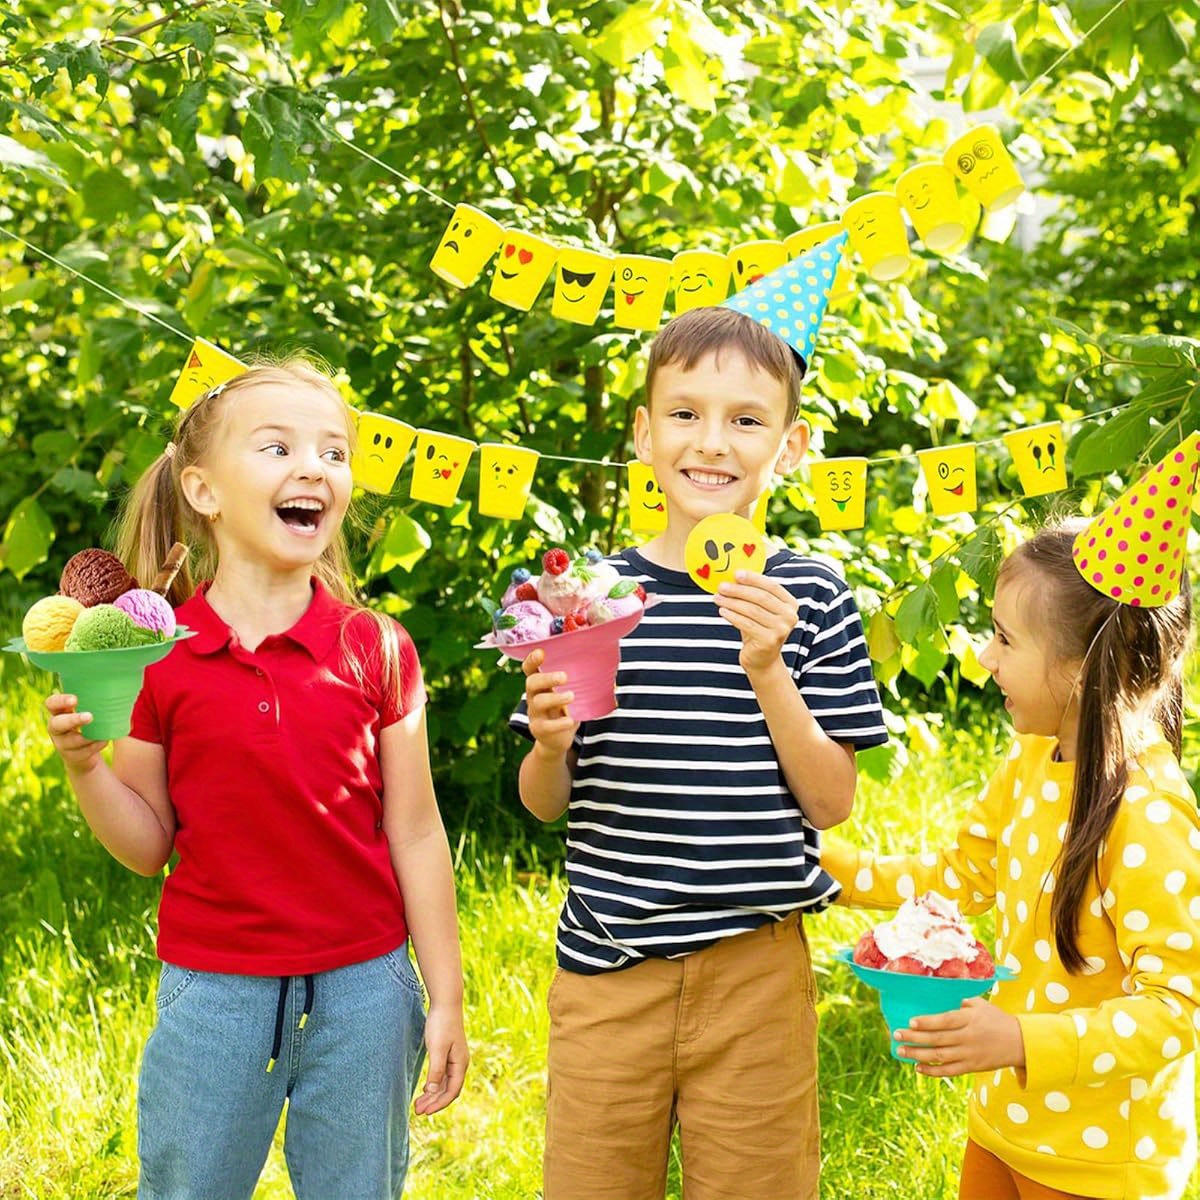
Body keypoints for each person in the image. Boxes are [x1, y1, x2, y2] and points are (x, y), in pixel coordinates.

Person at [44, 360, 467, 1200]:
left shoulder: (376, 646)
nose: (315, 468)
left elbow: (417, 831)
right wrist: (86, 766)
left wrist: (445, 994)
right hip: (214, 994)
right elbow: (146, 845)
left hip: (367, 992)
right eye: (278, 448)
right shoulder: (155, 657)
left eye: (334, 452)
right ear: (202, 490)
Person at [514, 303, 889, 1199]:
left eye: (746, 420)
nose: (712, 442)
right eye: (685, 413)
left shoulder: (812, 595)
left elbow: (832, 802)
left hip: (757, 971)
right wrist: (551, 745)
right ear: (645, 434)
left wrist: (768, 668)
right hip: (609, 968)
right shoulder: (589, 593)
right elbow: (543, 802)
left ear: (790, 448)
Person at [823, 513, 1200, 1200]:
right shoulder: (1032, 757)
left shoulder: (1147, 816)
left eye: (1004, 638)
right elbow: (960, 877)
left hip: (1103, 1165)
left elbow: (1178, 1006)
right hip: (1004, 1125)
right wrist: (825, 868)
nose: (984, 657)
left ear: (1083, 670)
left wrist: (1022, 1041)